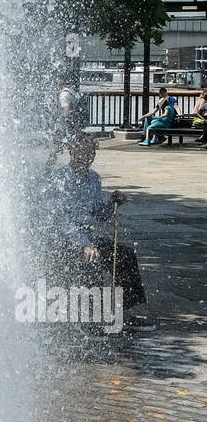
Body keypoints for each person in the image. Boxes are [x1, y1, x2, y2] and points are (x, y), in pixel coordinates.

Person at [50, 136, 149, 326]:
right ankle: (90, 318)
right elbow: (59, 218)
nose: (85, 157)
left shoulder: (94, 178)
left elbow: (97, 213)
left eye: (90, 153)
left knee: (125, 255)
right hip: (64, 238)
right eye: (81, 152)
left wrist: (113, 203)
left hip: (88, 237)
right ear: (72, 152)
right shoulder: (59, 177)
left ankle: (124, 312)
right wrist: (84, 243)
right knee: (91, 260)